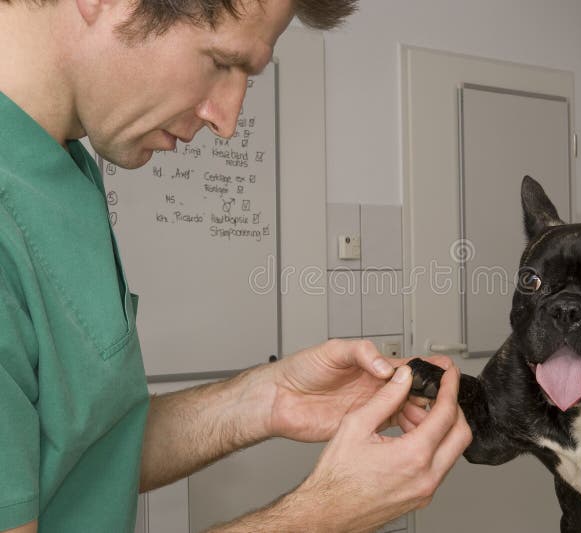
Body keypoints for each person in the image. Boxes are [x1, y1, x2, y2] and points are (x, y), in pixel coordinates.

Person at [0, 0, 473, 530]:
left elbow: (86, 454)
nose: (226, 121)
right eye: (222, 62)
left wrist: (268, 398)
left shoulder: (62, 164)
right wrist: (326, 511)